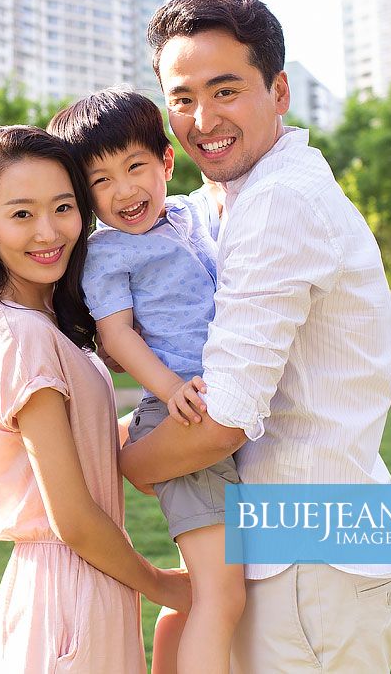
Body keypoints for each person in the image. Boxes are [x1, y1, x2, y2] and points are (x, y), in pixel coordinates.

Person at [119, 0, 391, 672]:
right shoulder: (230, 200)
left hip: (307, 564)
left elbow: (221, 422)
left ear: (277, 90)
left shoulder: (280, 203)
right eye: (181, 97)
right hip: (288, 552)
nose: (202, 119)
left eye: (225, 90)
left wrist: (117, 466)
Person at [0, 125, 191, 673]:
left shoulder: (43, 327)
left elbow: (82, 451)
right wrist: (164, 585)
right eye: (21, 214)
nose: (48, 232)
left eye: (63, 207)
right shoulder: (20, 335)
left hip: (83, 587)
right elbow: (73, 517)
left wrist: (176, 414)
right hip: (68, 592)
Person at [48, 88, 245, 674]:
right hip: (182, 412)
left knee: (204, 588)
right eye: (101, 180)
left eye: (135, 166)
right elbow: (117, 336)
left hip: (211, 401)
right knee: (222, 595)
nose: (124, 189)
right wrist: (168, 391)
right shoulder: (108, 254)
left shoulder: (186, 214)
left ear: (166, 161)